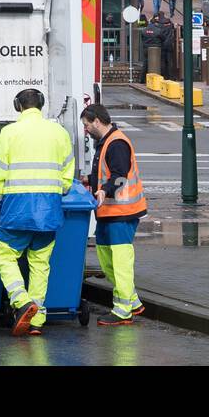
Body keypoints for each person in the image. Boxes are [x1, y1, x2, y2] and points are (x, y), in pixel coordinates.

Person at [0, 88, 75, 336]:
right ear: (42, 105)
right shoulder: (59, 132)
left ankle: (21, 301)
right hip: (49, 208)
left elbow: (1, 172)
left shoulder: (8, 133)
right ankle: (36, 321)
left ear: (18, 105)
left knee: (5, 257)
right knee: (40, 264)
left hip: (17, 207)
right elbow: (67, 175)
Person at [81, 103, 147, 325]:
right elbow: (106, 174)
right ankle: (133, 302)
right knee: (107, 261)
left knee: (120, 264)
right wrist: (88, 183)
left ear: (97, 121)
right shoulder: (106, 141)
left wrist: (104, 190)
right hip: (108, 212)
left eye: (87, 125)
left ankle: (122, 311)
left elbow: (120, 177)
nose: (86, 129)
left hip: (122, 213)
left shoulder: (116, 143)